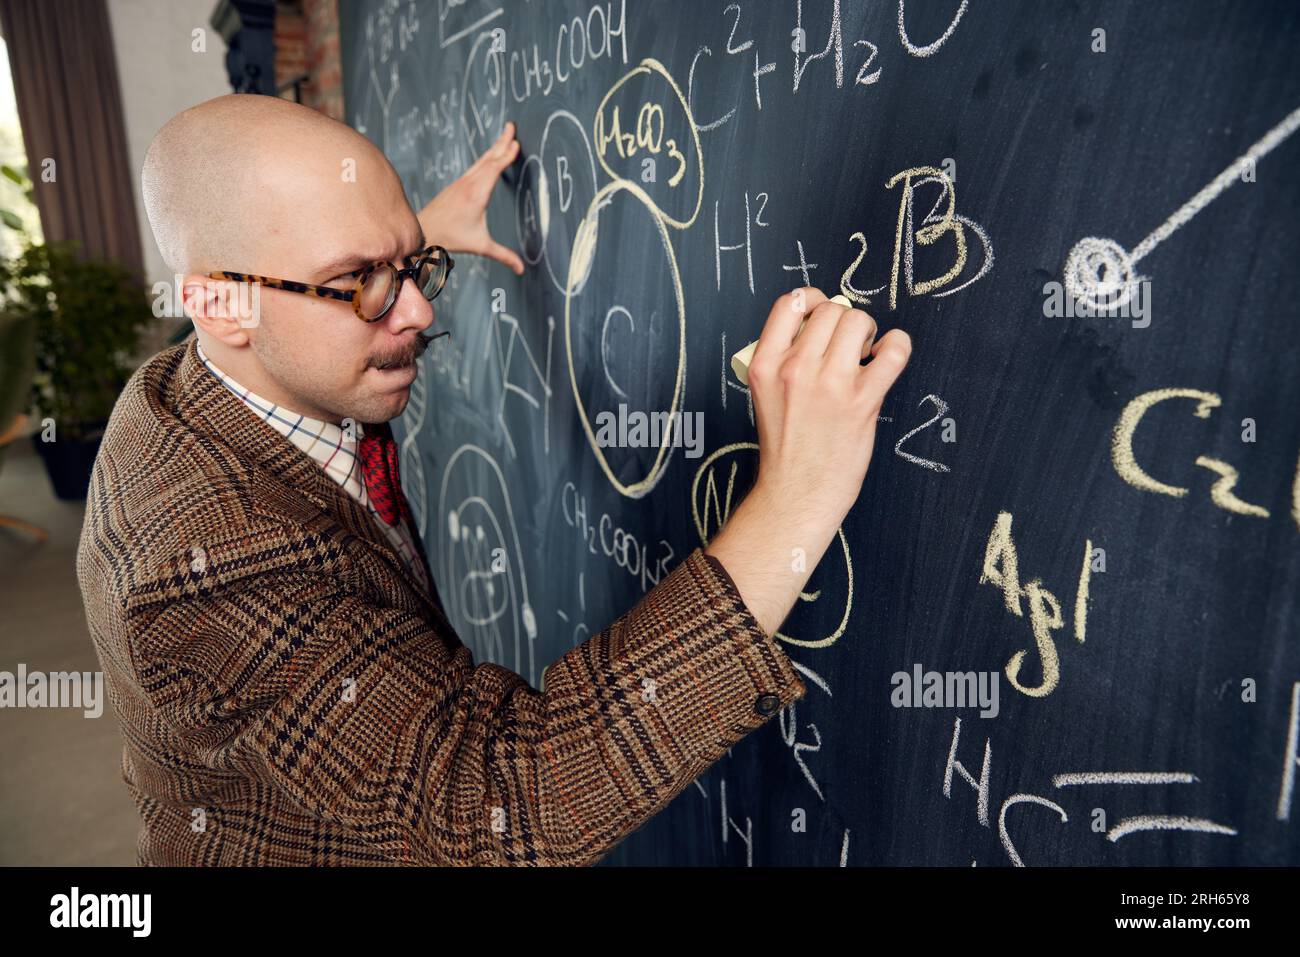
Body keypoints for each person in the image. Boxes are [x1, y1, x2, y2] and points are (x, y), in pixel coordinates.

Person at [76, 93, 911, 865]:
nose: (418, 310)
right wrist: (796, 497)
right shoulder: (198, 567)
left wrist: (389, 248)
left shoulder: (218, 371)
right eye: (358, 282)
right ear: (221, 305)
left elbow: (324, 302)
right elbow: (508, 805)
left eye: (410, 263)